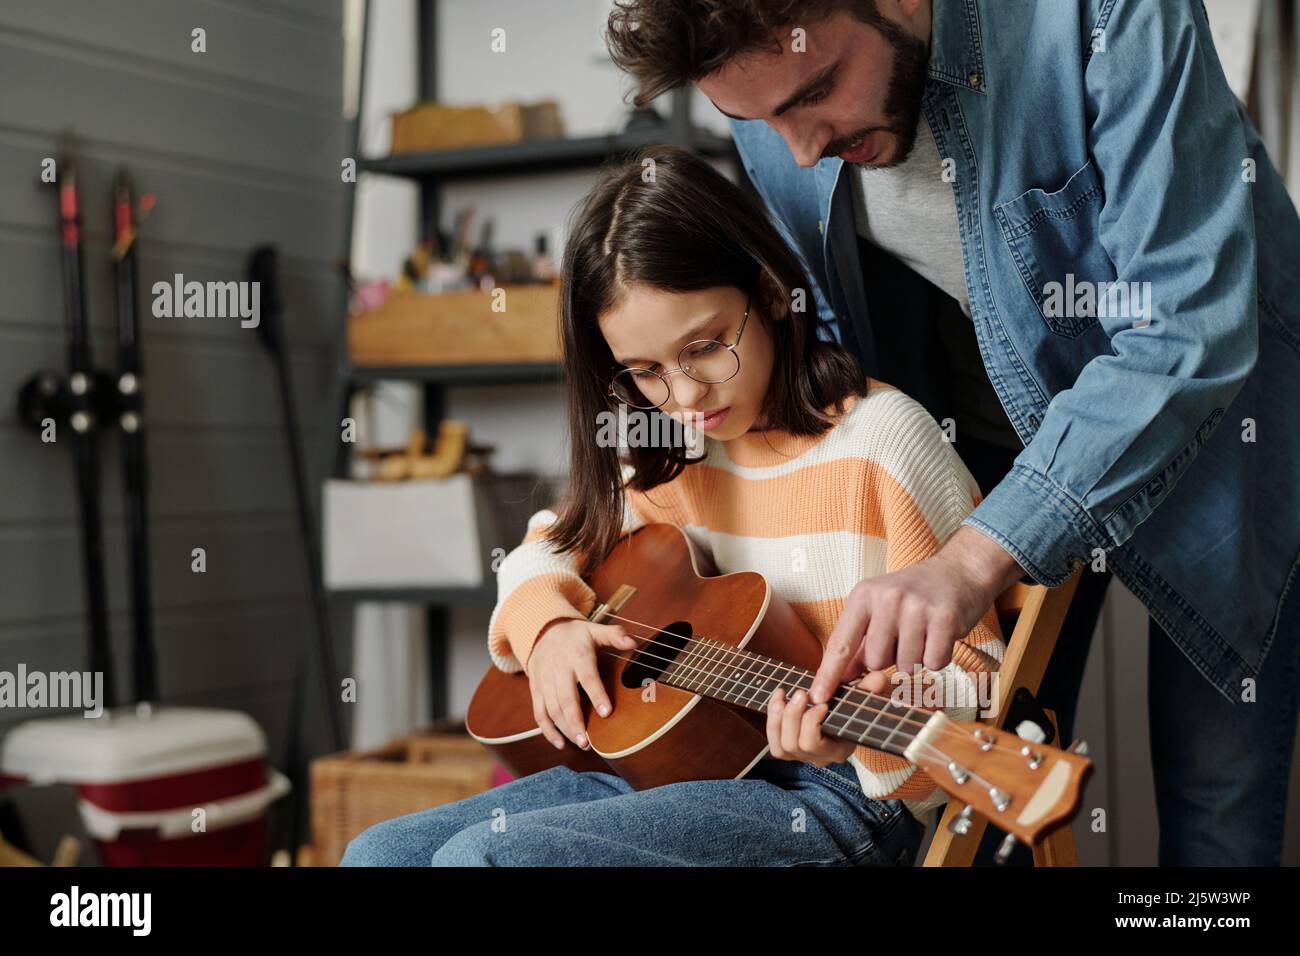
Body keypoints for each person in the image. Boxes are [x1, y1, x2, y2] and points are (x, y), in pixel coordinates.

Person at [604, 0, 1300, 865]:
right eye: (757, 119)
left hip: (1224, 424)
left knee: (1215, 809)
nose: (800, 150)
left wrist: (975, 558)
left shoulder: (1108, 14)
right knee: (995, 799)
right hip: (986, 432)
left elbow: (1185, 326)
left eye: (817, 92)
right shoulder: (781, 111)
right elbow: (821, 326)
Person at [342, 146, 1008, 867]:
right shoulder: (674, 451)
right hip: (669, 771)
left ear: (773, 291)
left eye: (707, 346)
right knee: (379, 855)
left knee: (483, 861)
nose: (687, 396)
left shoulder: (885, 441)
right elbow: (547, 544)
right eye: (646, 371)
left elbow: (979, 680)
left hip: (839, 798)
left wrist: (861, 728)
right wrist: (547, 631)